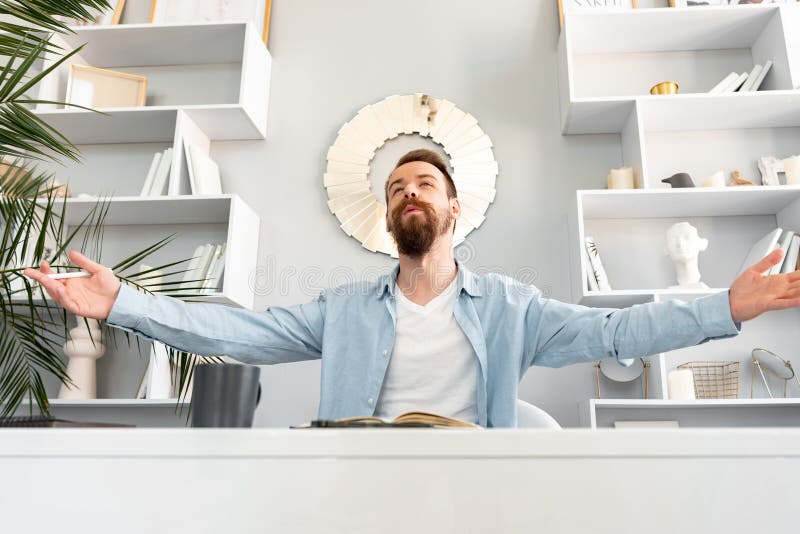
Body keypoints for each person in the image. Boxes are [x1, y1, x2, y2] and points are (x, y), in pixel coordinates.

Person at [24, 149, 800, 427]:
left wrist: (724, 307)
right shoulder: (344, 311)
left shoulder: (511, 309)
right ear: (390, 216)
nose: (407, 193)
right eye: (395, 188)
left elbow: (615, 336)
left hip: (474, 490)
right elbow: (238, 335)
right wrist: (122, 303)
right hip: (361, 492)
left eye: (423, 182)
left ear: (452, 207)